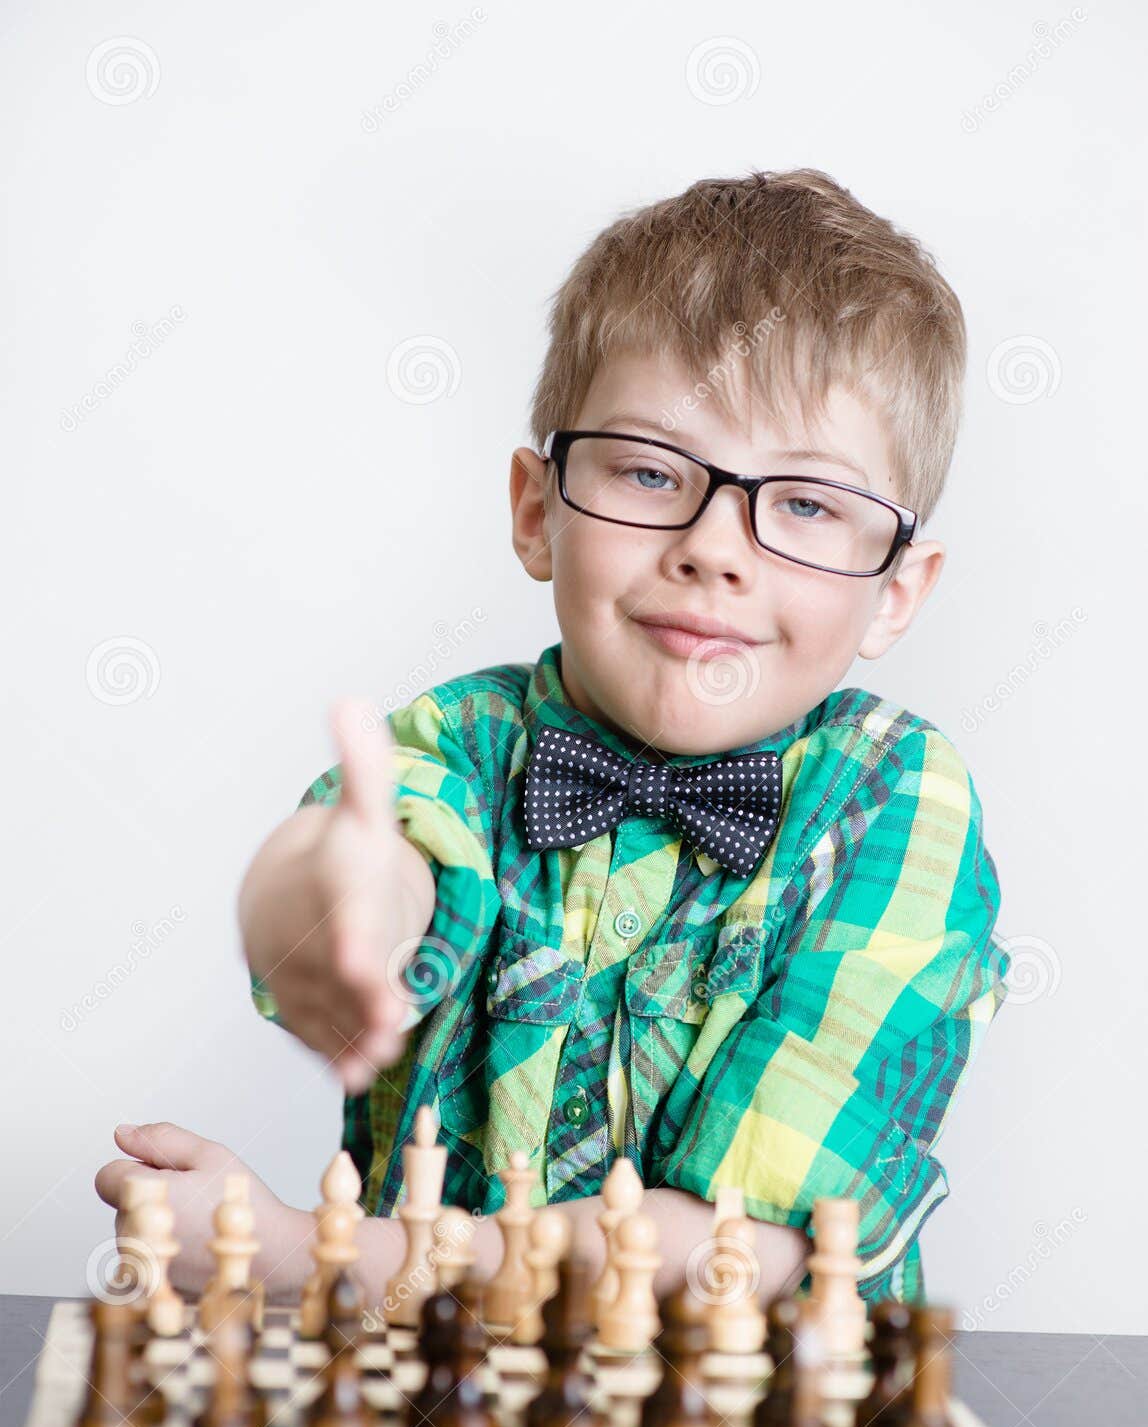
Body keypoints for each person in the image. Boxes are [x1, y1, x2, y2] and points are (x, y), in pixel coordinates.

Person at [96, 168, 1010, 1312]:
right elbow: (365, 879)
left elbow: (752, 1248)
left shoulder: (898, 800)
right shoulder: (456, 743)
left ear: (894, 591)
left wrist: (322, 1258)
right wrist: (328, 901)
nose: (713, 548)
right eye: (646, 470)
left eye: (807, 505)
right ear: (537, 509)